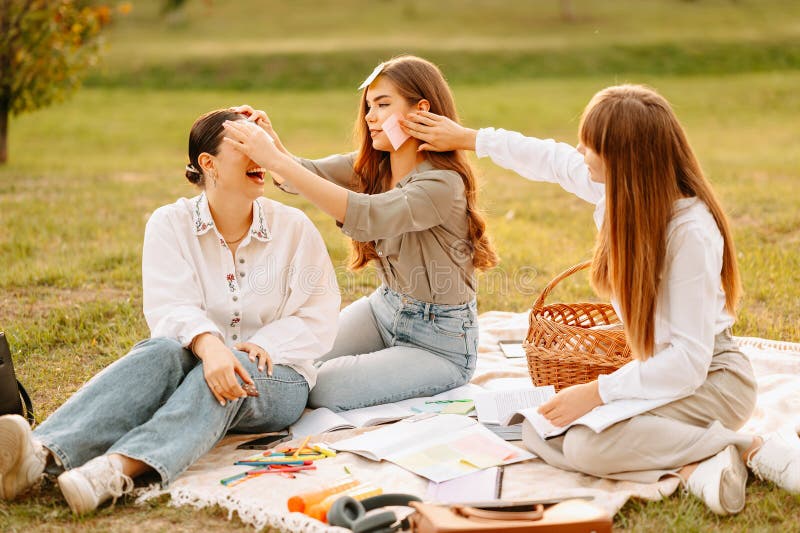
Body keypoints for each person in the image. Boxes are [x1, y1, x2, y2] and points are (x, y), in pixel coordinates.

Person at [400, 84, 800, 515]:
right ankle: (697, 464)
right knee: (533, 428)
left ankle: (750, 446)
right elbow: (547, 158)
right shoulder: (619, 195)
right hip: (653, 373)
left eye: (591, 145)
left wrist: (596, 393)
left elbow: (687, 361)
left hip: (713, 381)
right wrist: (468, 138)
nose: (579, 150)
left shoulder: (691, 233)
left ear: (626, 161)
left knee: (590, 447)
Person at [0, 109, 340, 514]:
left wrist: (258, 345)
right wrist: (210, 347)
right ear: (207, 164)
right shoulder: (169, 223)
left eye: (261, 145)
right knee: (159, 352)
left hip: (279, 377)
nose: (261, 155)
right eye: (244, 145)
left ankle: (116, 470)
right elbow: (170, 306)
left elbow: (319, 313)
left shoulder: (294, 228)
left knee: (227, 370)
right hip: (195, 359)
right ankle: (39, 456)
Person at [222, 55, 498, 412]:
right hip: (384, 309)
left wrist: (276, 159)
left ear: (421, 109)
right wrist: (272, 145)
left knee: (321, 389)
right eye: (369, 105)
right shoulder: (375, 167)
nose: (370, 116)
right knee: (292, 354)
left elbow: (367, 216)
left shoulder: (442, 184)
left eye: (383, 105)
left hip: (439, 344)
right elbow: (304, 176)